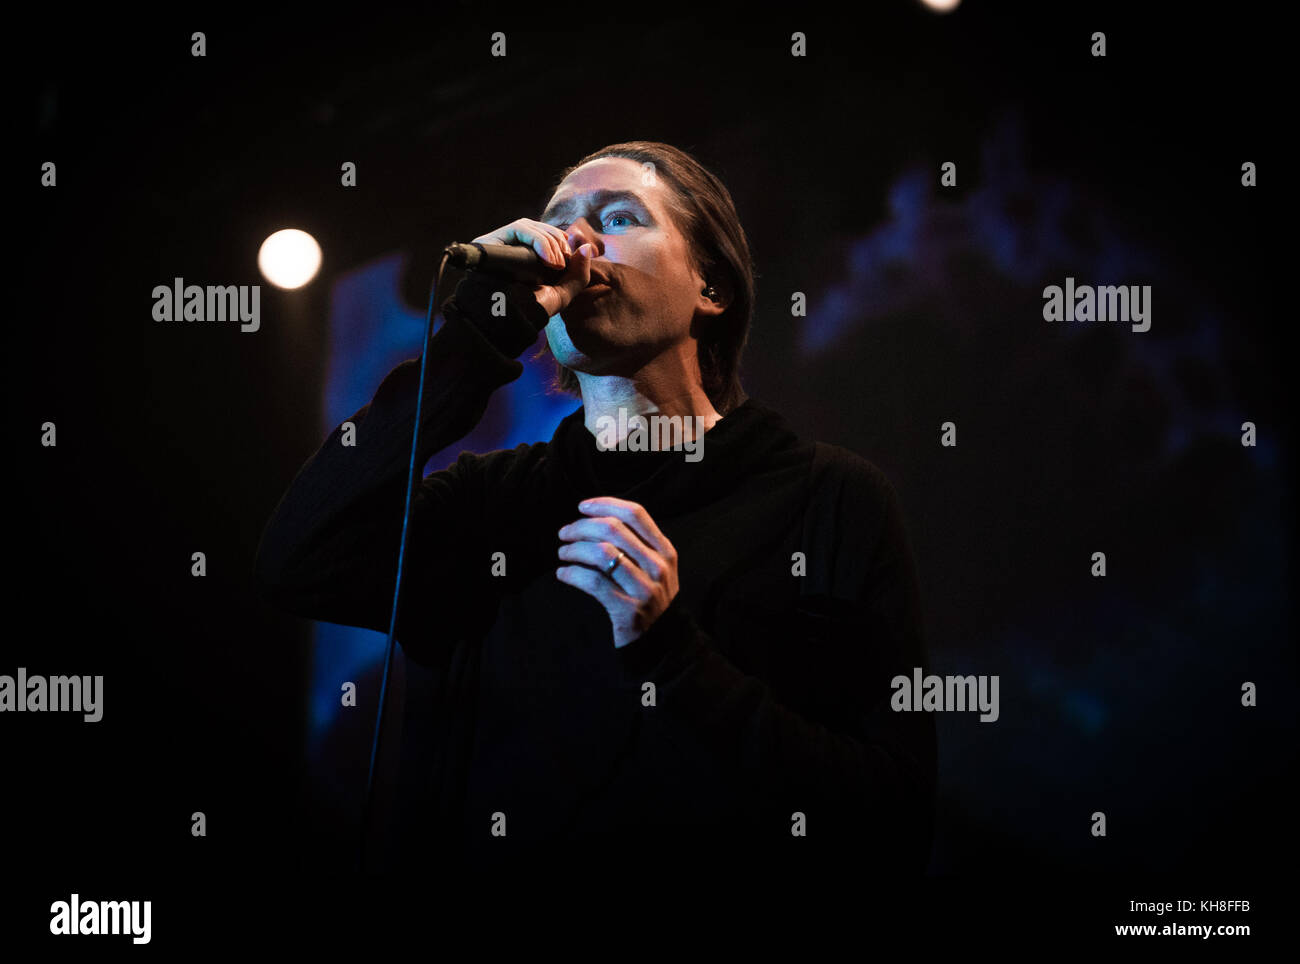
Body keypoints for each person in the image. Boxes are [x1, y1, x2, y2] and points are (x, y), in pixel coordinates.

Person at [253, 141, 936, 888]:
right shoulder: (491, 504)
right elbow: (299, 562)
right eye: (558, 223)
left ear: (710, 284)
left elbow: (892, 815)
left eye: (617, 218)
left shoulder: (827, 499)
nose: (575, 244)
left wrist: (675, 660)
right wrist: (474, 338)